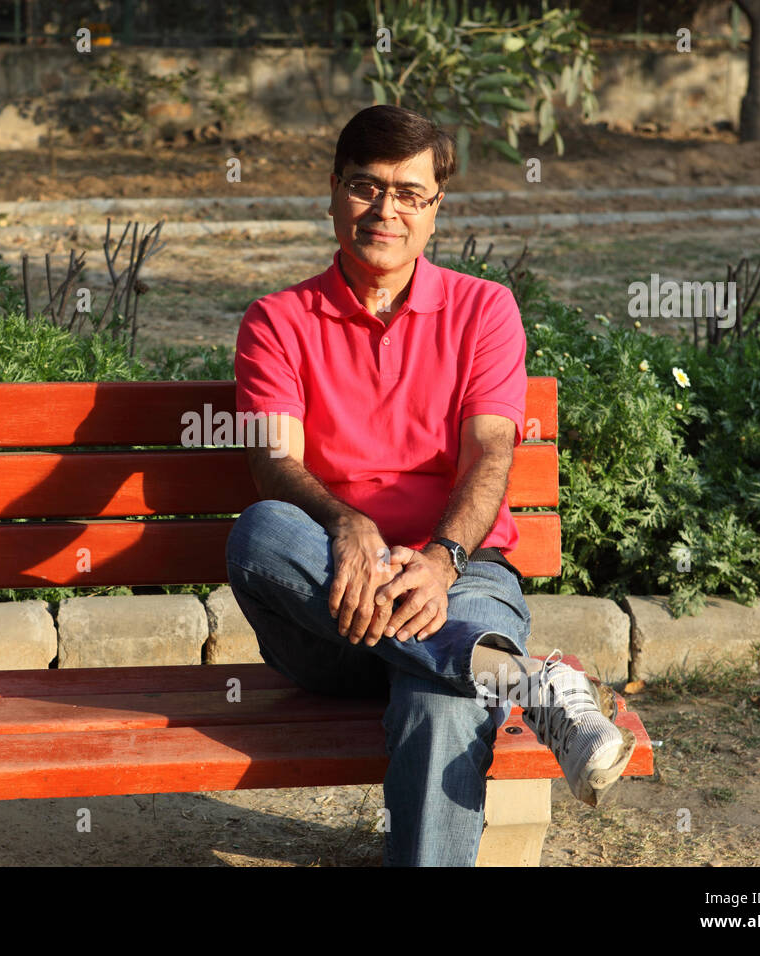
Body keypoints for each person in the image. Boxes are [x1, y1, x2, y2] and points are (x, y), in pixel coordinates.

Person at [224, 104, 635, 866]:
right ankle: (527, 683)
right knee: (261, 531)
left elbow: (489, 456)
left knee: (441, 704)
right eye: (366, 187)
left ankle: (477, 670)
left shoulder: (484, 311)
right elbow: (272, 464)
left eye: (410, 193)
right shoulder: (277, 321)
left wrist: (442, 557)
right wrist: (349, 527)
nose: (386, 210)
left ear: (436, 209)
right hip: (329, 613)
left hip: (463, 574)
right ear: (333, 192)